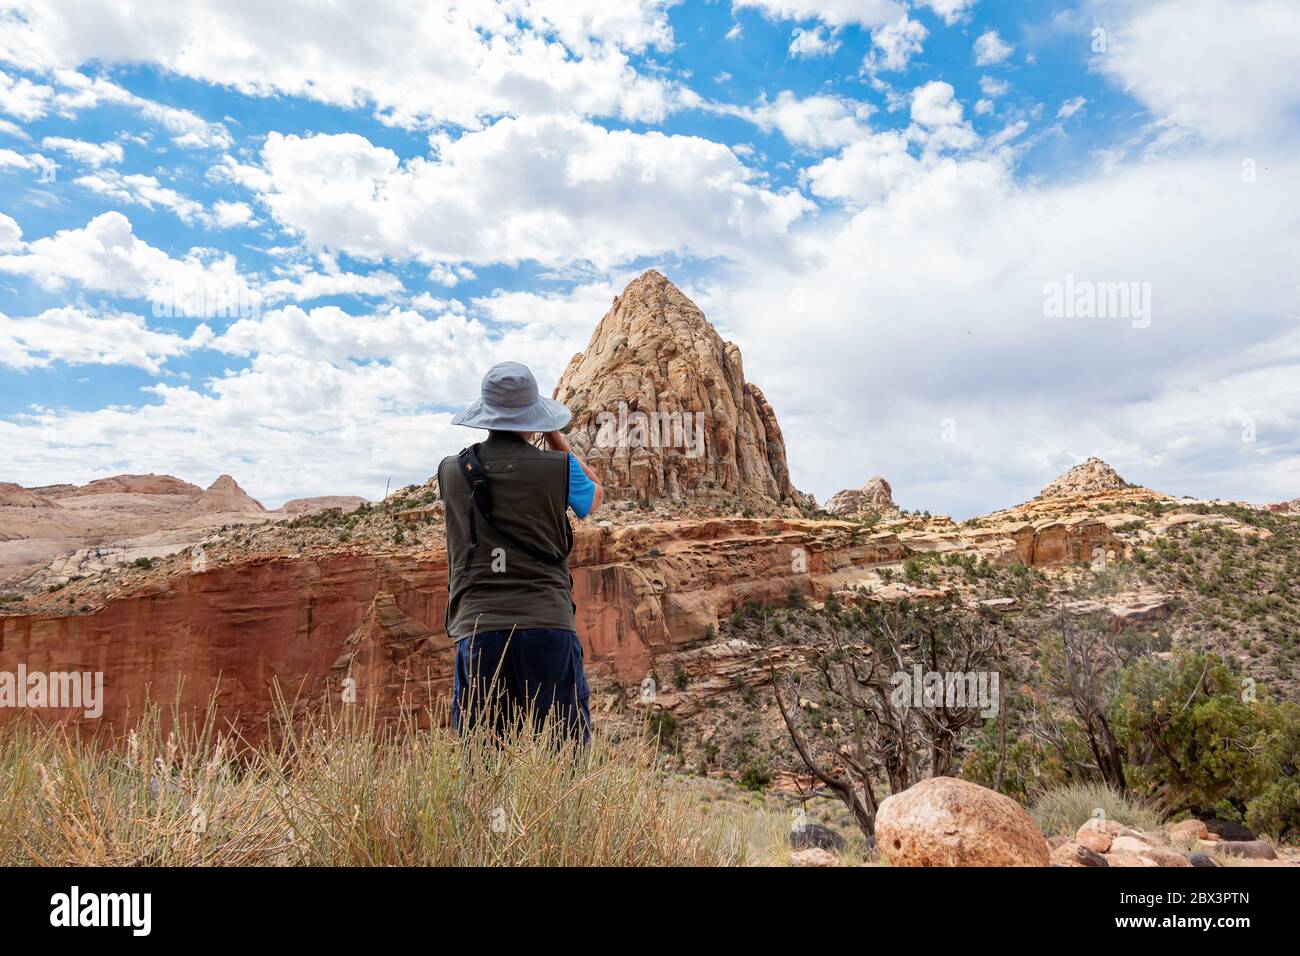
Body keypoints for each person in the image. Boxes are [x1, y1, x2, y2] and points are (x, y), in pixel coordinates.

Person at [439, 361, 603, 742]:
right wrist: (554, 436)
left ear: (485, 415)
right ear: (535, 415)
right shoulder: (558, 469)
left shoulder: (451, 471)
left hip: (478, 629)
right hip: (547, 625)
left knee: (483, 763)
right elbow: (595, 496)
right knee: (563, 757)